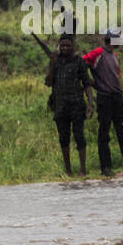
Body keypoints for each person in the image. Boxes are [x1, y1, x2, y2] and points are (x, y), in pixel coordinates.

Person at [82, 29, 123, 176]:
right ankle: (105, 167)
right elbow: (82, 63)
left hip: (116, 96)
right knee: (104, 133)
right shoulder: (98, 53)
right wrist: (91, 82)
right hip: (104, 97)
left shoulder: (115, 55)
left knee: (122, 132)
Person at [45, 34, 95, 175]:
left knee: (79, 135)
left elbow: (86, 83)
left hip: (77, 104)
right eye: (62, 46)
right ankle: (68, 171)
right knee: (63, 137)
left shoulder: (79, 61)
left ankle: (82, 170)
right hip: (60, 106)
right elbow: (48, 82)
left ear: (73, 46)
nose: (65, 48)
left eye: (68, 45)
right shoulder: (56, 61)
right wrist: (54, 63)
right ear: (59, 46)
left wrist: (90, 104)